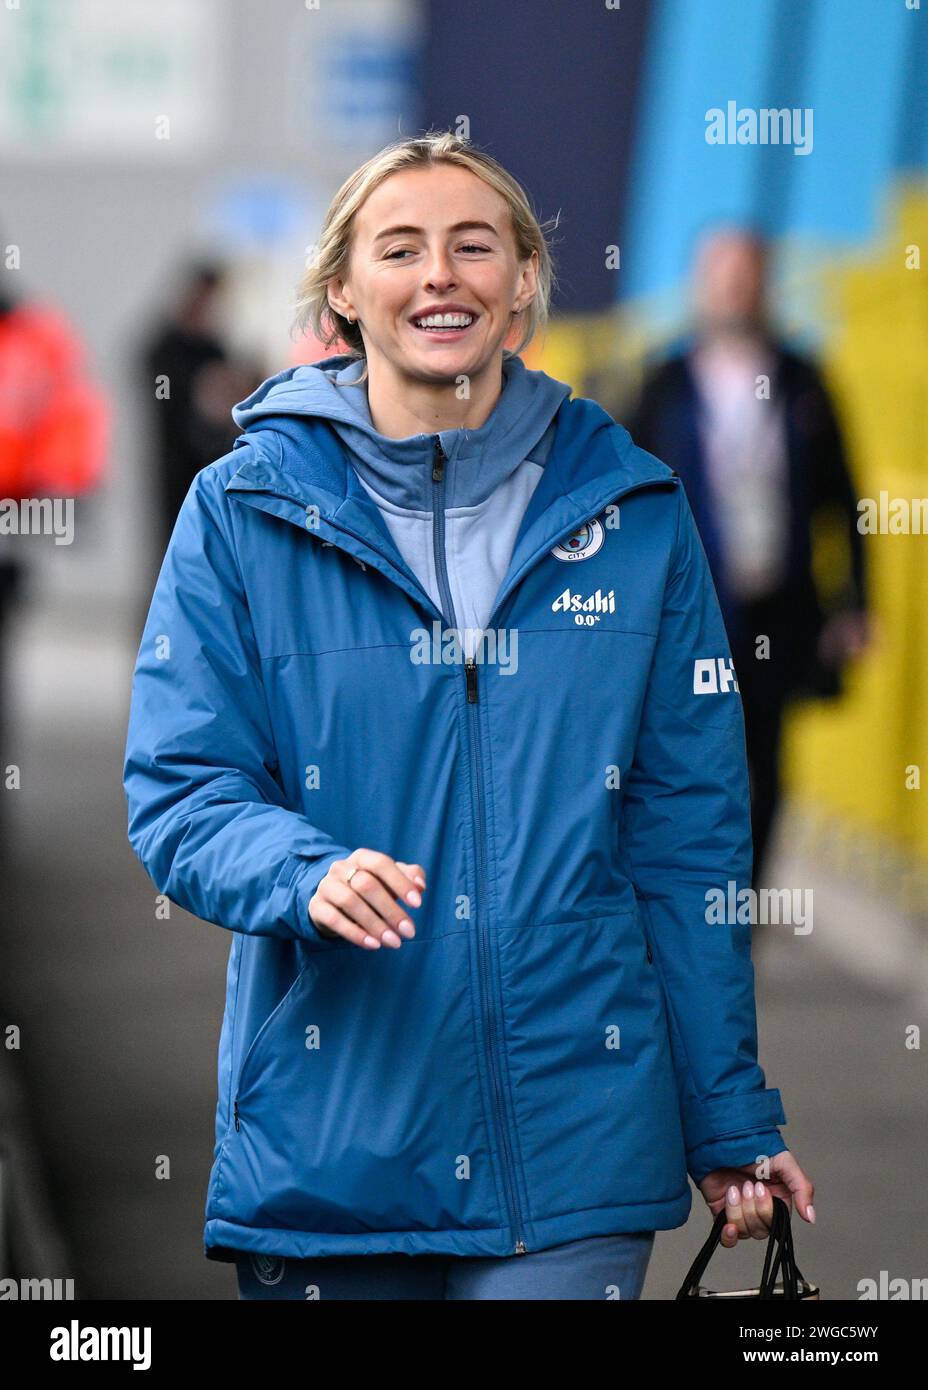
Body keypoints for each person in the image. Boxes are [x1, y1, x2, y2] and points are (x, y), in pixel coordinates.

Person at [123, 133, 814, 1301]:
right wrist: (301, 869)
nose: (438, 273)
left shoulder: (636, 514)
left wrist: (727, 1114)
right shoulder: (240, 511)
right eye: (400, 249)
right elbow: (181, 787)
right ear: (345, 290)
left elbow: (688, 844)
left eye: (472, 246)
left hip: (577, 1147)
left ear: (523, 281)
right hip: (332, 1142)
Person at [627, 227, 870, 888]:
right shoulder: (663, 382)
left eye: (747, 272)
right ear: (700, 283)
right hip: (685, 614)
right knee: (679, 759)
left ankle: (741, 908)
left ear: (765, 283)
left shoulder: (802, 379)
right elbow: (621, 498)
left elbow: (844, 499)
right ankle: (677, 897)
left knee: (764, 763)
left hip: (774, 609)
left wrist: (854, 603)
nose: (735, 287)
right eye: (722, 272)